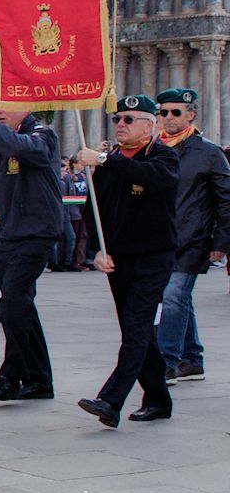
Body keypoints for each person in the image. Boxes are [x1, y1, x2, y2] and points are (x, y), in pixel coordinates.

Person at [74, 96, 180, 427]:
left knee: (135, 328)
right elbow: (93, 209)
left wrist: (103, 159)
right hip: (118, 258)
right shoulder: (111, 162)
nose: (121, 124)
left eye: (130, 120)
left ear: (151, 125)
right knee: (137, 330)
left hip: (153, 257)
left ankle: (111, 400)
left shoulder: (163, 156)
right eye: (118, 119)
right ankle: (159, 399)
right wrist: (97, 249)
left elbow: (154, 178)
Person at [0, 99, 64, 403]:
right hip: (6, 231)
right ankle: (40, 380)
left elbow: (29, 152)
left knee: (13, 300)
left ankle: (10, 377)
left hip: (36, 231)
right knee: (21, 305)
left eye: (6, 105)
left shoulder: (41, 135)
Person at [152, 86, 230, 383]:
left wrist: (222, 243)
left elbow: (226, 200)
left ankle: (167, 360)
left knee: (173, 296)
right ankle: (192, 358)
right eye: (163, 112)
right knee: (178, 298)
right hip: (160, 239)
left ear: (191, 114)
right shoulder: (153, 149)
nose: (168, 118)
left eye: (175, 113)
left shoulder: (209, 153)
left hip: (193, 239)